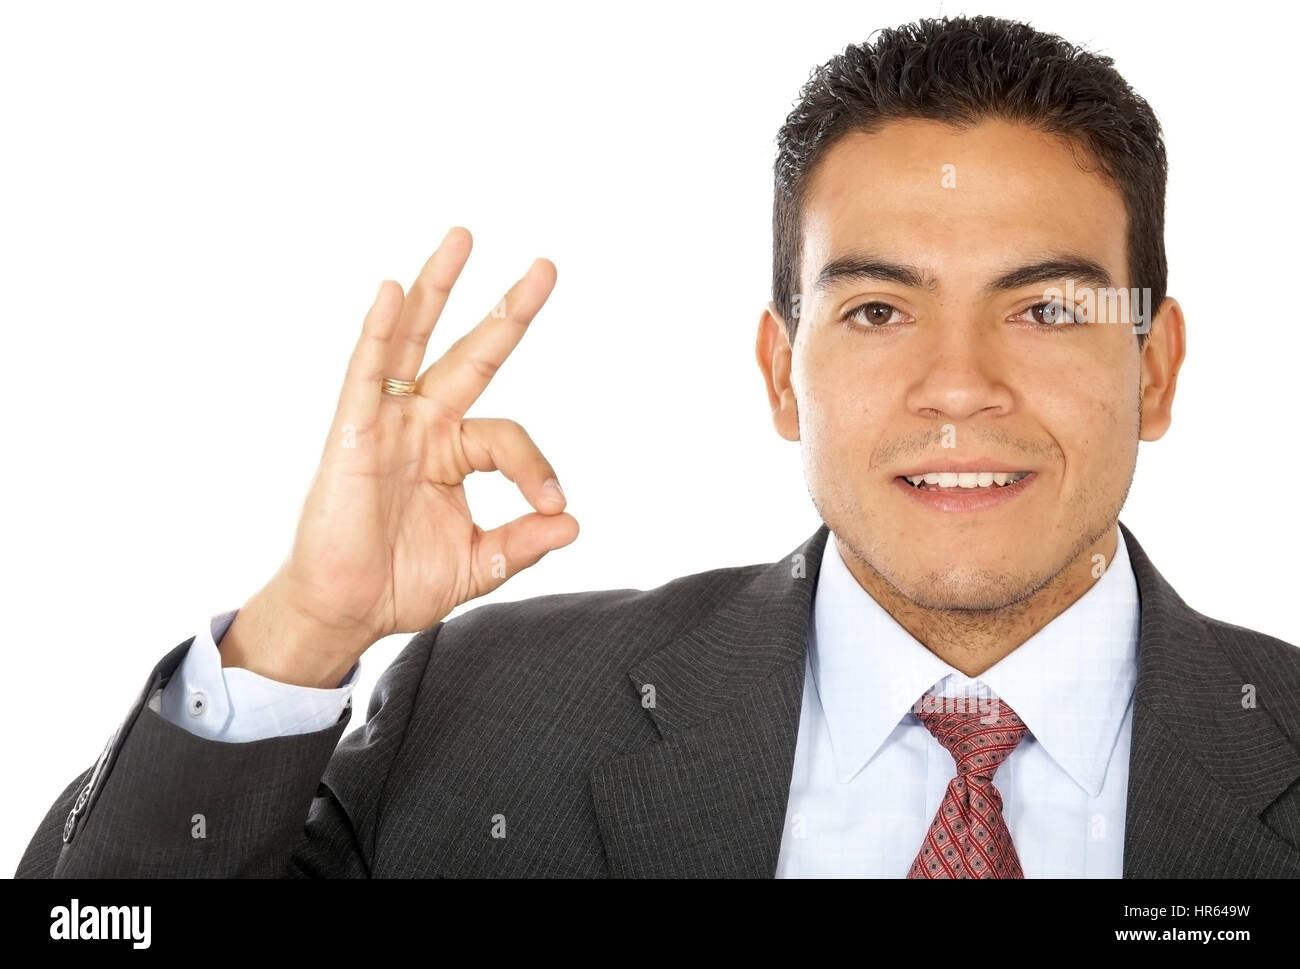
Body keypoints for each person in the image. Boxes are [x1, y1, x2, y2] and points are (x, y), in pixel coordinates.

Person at [17, 14, 1300, 879]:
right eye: (874, 310)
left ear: (1155, 365)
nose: (956, 388)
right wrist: (302, 631)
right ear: (778, 375)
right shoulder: (490, 713)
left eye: (1043, 309)